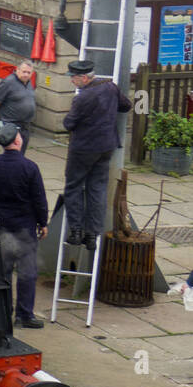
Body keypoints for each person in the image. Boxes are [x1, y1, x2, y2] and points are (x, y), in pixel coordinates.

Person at [0, 123, 49, 329]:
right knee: (27, 272)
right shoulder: (30, 167)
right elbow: (39, 199)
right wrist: (43, 222)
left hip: (1, 225)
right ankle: (24, 315)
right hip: (25, 227)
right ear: (18, 141)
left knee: (4, 271)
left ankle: (3, 312)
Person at [62, 58, 132, 252]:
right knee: (97, 189)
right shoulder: (111, 87)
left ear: (84, 78)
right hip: (106, 147)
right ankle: (92, 235)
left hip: (83, 149)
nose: (72, 81)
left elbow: (68, 124)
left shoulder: (82, 98)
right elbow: (126, 106)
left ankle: (76, 231)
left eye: (73, 78)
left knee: (73, 187)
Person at [0, 60, 37, 152]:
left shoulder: (28, 83)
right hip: (10, 123)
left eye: (29, 72)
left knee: (21, 151)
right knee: (13, 151)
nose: (26, 75)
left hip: (25, 124)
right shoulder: (8, 82)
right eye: (24, 72)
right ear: (17, 70)